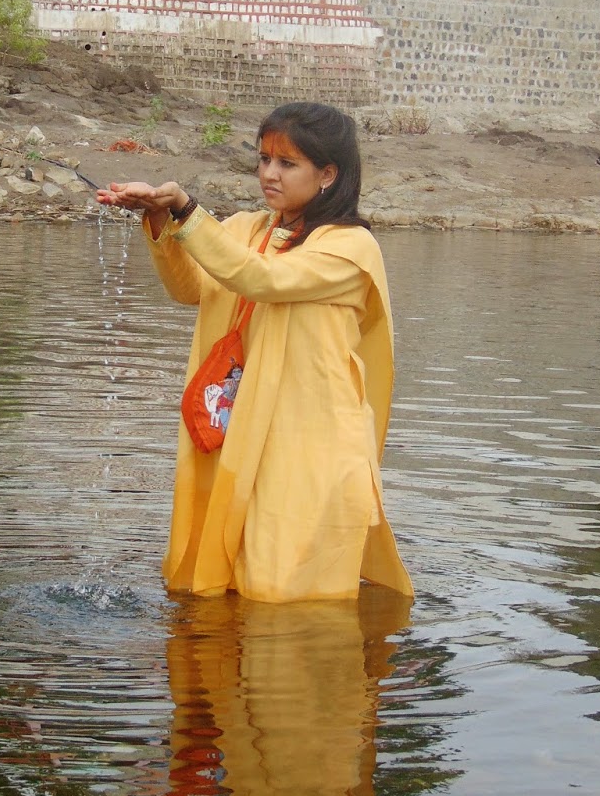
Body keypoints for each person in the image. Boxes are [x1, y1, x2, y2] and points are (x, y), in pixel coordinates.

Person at [97, 102, 413, 604]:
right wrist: (162, 220)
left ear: (328, 173)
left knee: (285, 592)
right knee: (224, 587)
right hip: (245, 429)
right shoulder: (247, 228)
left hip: (309, 444)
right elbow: (192, 288)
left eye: (287, 164)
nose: (269, 174)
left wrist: (186, 210)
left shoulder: (351, 247)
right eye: (263, 159)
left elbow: (260, 278)